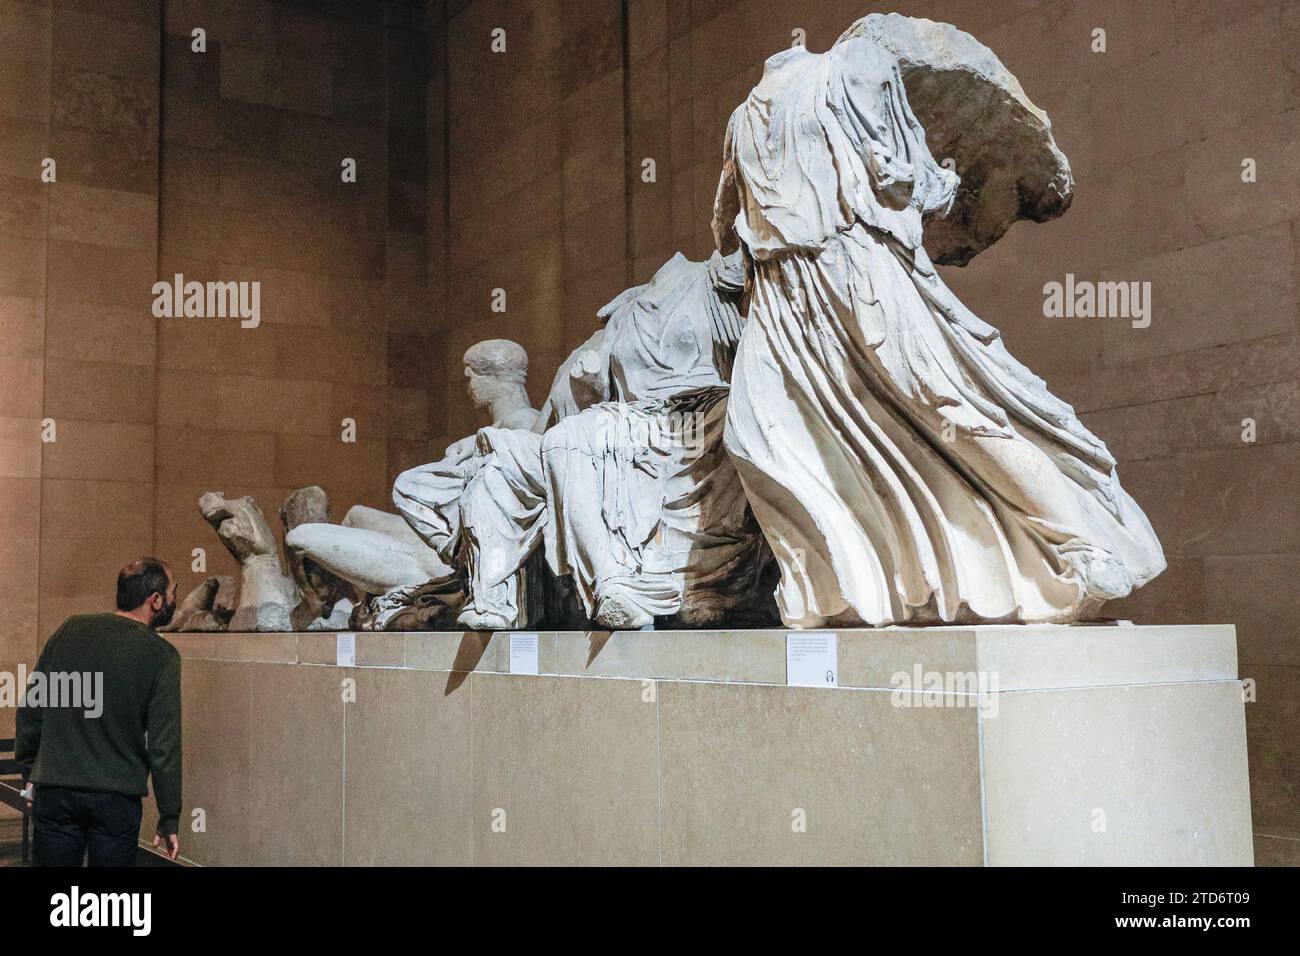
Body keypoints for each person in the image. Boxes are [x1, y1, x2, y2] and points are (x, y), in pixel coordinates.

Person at [714, 23, 1165, 628]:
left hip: (858, 268)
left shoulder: (853, 61)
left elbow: (902, 178)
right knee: (767, 433)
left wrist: (930, 184)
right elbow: (732, 226)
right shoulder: (744, 115)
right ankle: (847, 586)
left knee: (946, 407)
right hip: (780, 295)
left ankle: (1081, 543)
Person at [16, 557, 183, 865]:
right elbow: (164, 747)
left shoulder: (70, 630)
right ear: (156, 600)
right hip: (116, 798)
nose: (176, 599)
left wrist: (32, 772)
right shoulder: (162, 655)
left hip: (55, 790)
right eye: (174, 591)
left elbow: (31, 709)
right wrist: (169, 814)